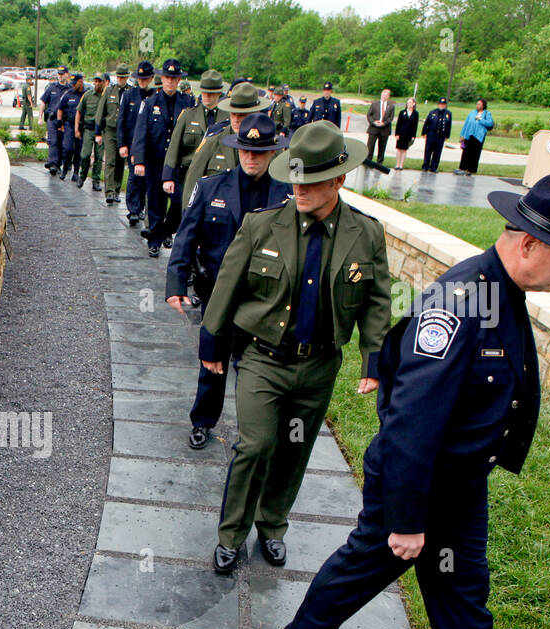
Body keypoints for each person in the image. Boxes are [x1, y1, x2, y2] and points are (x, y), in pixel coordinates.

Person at [276, 172, 550, 629]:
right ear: (529, 243)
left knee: (462, 588)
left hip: (459, 482)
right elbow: (412, 420)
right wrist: (409, 520)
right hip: (418, 483)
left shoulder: (503, 290)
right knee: (365, 568)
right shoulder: (459, 303)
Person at [202, 121, 391, 575]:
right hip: (264, 359)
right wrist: (212, 345)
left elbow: (377, 299)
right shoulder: (261, 225)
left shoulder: (366, 234)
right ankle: (231, 534)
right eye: (295, 177)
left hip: (320, 364)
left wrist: (374, 360)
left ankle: (272, 526)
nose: (299, 188)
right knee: (256, 444)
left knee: (294, 448)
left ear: (339, 180)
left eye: (311, 181)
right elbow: (225, 290)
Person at [168, 112, 291, 450]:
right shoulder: (211, 187)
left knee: (258, 369)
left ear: (272, 153)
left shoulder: (286, 196)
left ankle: (255, 433)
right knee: (213, 362)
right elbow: (185, 238)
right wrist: (175, 285)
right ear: (237, 150)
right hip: (218, 295)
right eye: (246, 151)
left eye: (260, 152)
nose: (252, 157)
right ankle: (203, 422)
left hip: (264, 299)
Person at [131, 58, 195, 257]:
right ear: (162, 78)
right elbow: (140, 132)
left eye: (174, 78)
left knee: (179, 202)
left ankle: (166, 230)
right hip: (155, 160)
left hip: (177, 164)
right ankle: (155, 241)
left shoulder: (187, 103)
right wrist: (139, 160)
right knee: (156, 202)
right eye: (167, 78)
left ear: (178, 81)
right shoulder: (150, 102)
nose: (170, 82)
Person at [180, 79, 268, 210]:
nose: (237, 119)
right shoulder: (213, 142)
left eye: (243, 115)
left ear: (256, 113)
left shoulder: (270, 147)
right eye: (233, 113)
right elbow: (192, 186)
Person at [162, 70, 226, 207]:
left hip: (216, 176)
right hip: (188, 176)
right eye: (204, 92)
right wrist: (168, 177)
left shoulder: (227, 119)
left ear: (219, 93)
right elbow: (174, 147)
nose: (207, 96)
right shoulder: (188, 115)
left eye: (211, 92)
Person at [118, 61, 154, 226]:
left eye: (145, 78)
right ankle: (133, 209)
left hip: (151, 146)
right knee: (134, 177)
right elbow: (121, 122)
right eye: (140, 78)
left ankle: (140, 208)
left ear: (151, 78)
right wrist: (122, 144)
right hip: (133, 144)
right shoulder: (129, 95)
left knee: (147, 179)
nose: (142, 81)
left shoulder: (155, 97)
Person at [94, 65, 129, 204]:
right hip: (110, 130)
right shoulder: (109, 91)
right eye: (119, 76)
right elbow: (100, 112)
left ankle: (116, 190)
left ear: (127, 77)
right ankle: (109, 191)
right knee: (110, 161)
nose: (121, 79)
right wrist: (98, 133)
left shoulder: (130, 92)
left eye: (123, 77)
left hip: (124, 132)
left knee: (121, 163)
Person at [75, 73, 105, 189]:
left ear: (103, 82)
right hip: (89, 129)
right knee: (85, 154)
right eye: (95, 81)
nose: (97, 83)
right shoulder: (87, 95)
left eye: (99, 81)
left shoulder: (106, 96)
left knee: (98, 156)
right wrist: (76, 129)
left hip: (101, 130)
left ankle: (96, 180)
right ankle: (82, 175)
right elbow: (79, 111)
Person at [55, 73, 85, 181]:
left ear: (80, 82)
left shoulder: (85, 95)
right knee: (68, 147)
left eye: (75, 83)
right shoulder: (68, 94)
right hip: (69, 124)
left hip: (81, 126)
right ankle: (65, 168)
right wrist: (59, 122)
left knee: (78, 149)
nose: (72, 85)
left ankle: (76, 172)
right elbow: (60, 108)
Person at [41, 67, 69, 173]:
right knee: (53, 141)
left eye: (62, 74)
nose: (60, 76)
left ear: (67, 75)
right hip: (52, 118)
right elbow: (43, 102)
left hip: (63, 120)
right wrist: (40, 117)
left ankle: (58, 163)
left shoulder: (69, 89)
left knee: (63, 142)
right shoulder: (52, 88)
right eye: (59, 74)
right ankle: (53, 163)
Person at [457, 98, 493, 175]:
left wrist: (480, 119)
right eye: (477, 104)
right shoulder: (472, 113)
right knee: (466, 152)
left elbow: (490, 123)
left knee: (475, 153)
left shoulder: (487, 114)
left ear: (483, 105)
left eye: (479, 104)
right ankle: (462, 168)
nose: (477, 105)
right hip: (469, 135)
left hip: (478, 136)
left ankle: (471, 170)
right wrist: (462, 135)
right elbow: (466, 123)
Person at [421, 96, 452, 172]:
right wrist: (424, 132)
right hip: (431, 134)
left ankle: (434, 167)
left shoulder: (448, 114)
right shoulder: (433, 112)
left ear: (445, 105)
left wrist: (447, 135)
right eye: (441, 104)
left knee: (437, 152)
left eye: (443, 104)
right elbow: (427, 122)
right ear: (438, 104)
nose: (442, 105)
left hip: (441, 136)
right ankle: (425, 166)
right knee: (428, 150)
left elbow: (449, 125)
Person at [365, 87, 394, 164]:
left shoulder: (391, 106)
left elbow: (391, 118)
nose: (384, 96)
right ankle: (368, 162)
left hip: (384, 129)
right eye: (383, 94)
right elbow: (369, 115)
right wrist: (374, 122)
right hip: (374, 128)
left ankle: (379, 163)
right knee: (370, 147)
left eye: (386, 94)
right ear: (381, 95)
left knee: (382, 147)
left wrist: (384, 123)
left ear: (388, 96)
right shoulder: (375, 104)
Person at [392, 97, 418, 170]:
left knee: (404, 149)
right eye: (408, 102)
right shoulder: (402, 112)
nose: (408, 104)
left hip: (409, 134)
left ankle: (401, 165)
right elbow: (398, 124)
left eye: (410, 102)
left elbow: (415, 125)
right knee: (399, 149)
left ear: (414, 103)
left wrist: (413, 135)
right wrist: (396, 134)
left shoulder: (416, 114)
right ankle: (397, 164)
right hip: (401, 133)